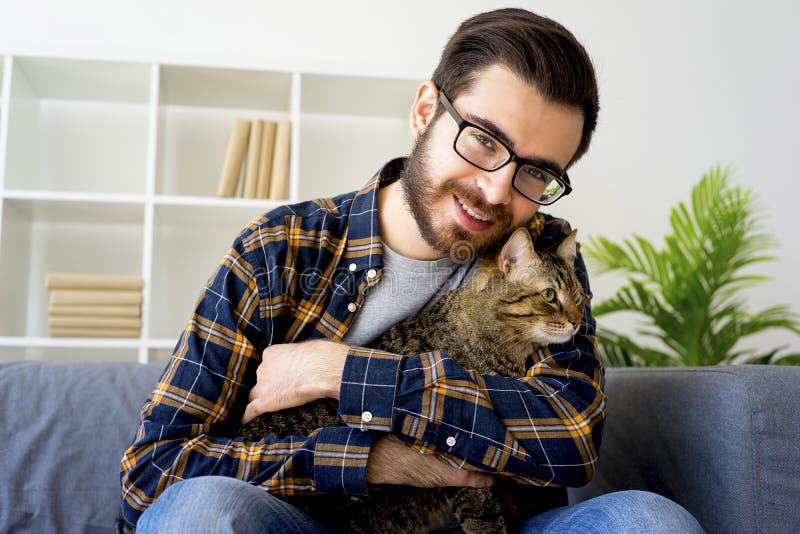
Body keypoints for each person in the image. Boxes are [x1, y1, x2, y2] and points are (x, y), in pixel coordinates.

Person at [120, 8, 704, 533]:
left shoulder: (544, 251)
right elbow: (151, 476)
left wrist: (345, 372)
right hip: (316, 523)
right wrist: (370, 460)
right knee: (199, 513)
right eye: (482, 140)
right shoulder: (278, 252)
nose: (497, 189)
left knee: (648, 522)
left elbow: (569, 439)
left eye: (535, 173)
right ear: (427, 110)